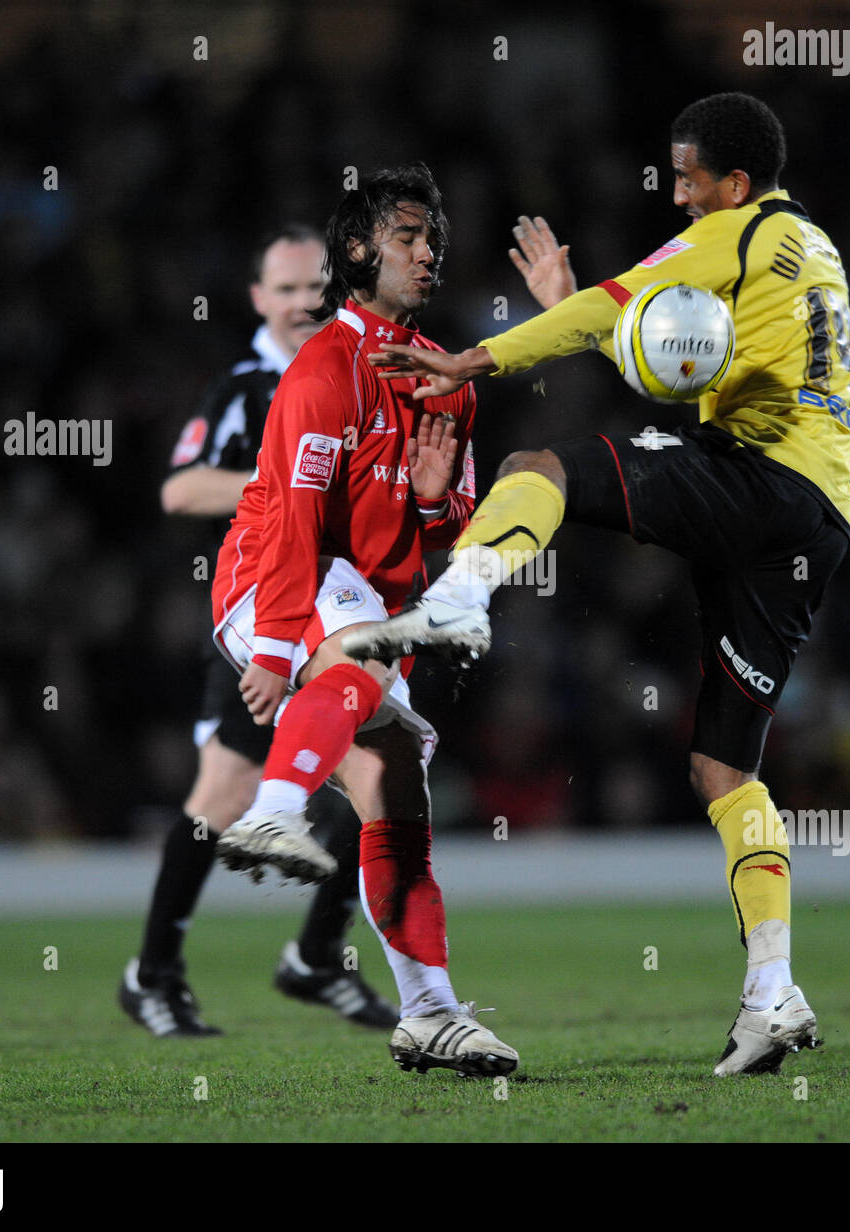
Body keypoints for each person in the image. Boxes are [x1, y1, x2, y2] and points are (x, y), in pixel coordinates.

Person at [345, 93, 850, 1076]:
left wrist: (471, 357)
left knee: (538, 465)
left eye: (686, 177)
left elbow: (610, 311)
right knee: (725, 768)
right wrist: (587, 313)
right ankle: (772, 990)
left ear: (733, 184)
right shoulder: (813, 249)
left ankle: (459, 597)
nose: (675, 193)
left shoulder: (733, 233)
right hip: (816, 514)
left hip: (753, 477)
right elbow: (660, 362)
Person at [210, 163, 518, 1077]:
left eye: (434, 239)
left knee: (397, 793)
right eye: (408, 237)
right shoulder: (324, 369)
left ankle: (427, 1012)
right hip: (273, 580)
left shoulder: (450, 384)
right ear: (357, 249)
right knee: (361, 654)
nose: (430, 253)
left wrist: (432, 506)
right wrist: (272, 650)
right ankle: (271, 810)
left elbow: (455, 535)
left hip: (362, 607)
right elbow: (296, 523)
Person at [119, 226, 398, 1037]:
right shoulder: (248, 387)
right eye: (284, 288)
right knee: (223, 796)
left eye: (316, 286)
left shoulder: (361, 370)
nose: (302, 302)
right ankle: (153, 974)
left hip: (343, 614)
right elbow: (178, 491)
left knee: (380, 781)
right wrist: (284, 476)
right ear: (256, 300)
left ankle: (316, 958)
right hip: (264, 619)